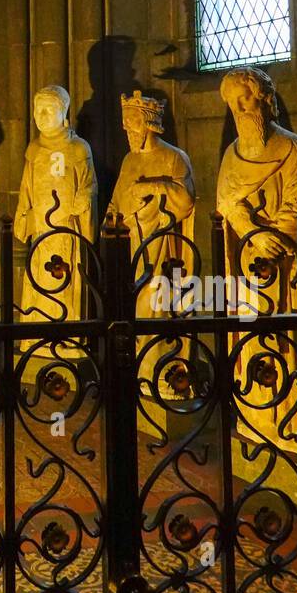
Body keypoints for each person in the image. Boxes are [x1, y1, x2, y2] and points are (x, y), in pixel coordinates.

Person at [217, 66, 297, 455]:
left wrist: (273, 236)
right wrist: (252, 231)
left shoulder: (293, 148)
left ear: (266, 100)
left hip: (284, 264)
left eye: (247, 98)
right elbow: (225, 203)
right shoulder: (231, 155)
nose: (242, 107)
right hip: (248, 262)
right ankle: (255, 416)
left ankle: (294, 422)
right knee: (251, 342)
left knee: (287, 341)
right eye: (234, 102)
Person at [107, 91, 196, 398]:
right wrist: (110, 217)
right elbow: (118, 198)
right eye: (126, 128)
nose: (130, 133)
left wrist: (154, 186)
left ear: (148, 126)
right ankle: (140, 373)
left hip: (161, 247)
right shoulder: (129, 159)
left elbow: (186, 200)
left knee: (157, 307)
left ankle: (161, 375)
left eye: (134, 127)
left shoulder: (173, 157)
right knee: (134, 307)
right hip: (133, 243)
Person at [14, 86, 97, 351]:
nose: (42, 114)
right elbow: (25, 188)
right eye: (38, 109)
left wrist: (82, 200)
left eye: (49, 109)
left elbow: (89, 184)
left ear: (64, 112)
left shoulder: (78, 148)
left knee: (65, 284)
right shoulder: (34, 149)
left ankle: (66, 340)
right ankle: (37, 337)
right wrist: (24, 214)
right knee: (41, 282)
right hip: (41, 229)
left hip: (66, 230)